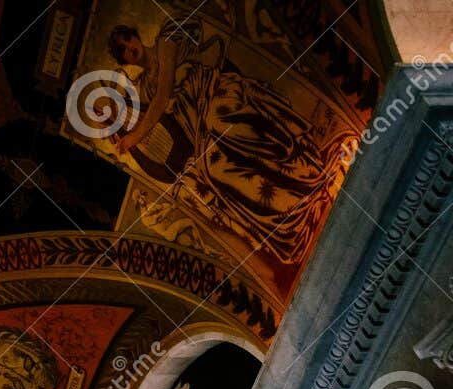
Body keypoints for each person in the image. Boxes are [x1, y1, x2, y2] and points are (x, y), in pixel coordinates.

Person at [105, 19, 351, 268]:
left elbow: (163, 95)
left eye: (128, 39)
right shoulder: (144, 88)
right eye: (122, 49)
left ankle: (305, 173)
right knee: (214, 170)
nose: (129, 47)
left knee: (220, 122)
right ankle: (290, 214)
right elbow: (149, 121)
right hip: (200, 130)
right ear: (124, 60)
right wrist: (119, 130)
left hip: (218, 95)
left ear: (136, 35)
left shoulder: (165, 44)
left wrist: (133, 137)